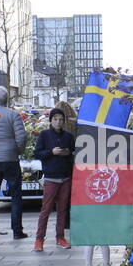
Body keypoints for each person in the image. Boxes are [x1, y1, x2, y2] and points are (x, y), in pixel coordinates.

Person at [0, 86, 28, 240]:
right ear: (7, 99)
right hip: (10, 158)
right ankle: (17, 230)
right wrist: (18, 151)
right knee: (16, 196)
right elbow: (21, 137)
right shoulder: (13, 115)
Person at [33, 107, 76, 252]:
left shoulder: (68, 136)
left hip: (65, 176)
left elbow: (73, 154)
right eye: (55, 119)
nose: (58, 122)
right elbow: (37, 153)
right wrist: (52, 152)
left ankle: (60, 237)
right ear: (51, 120)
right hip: (51, 177)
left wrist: (67, 153)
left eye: (60, 119)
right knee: (46, 209)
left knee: (62, 209)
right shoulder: (44, 135)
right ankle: (39, 239)